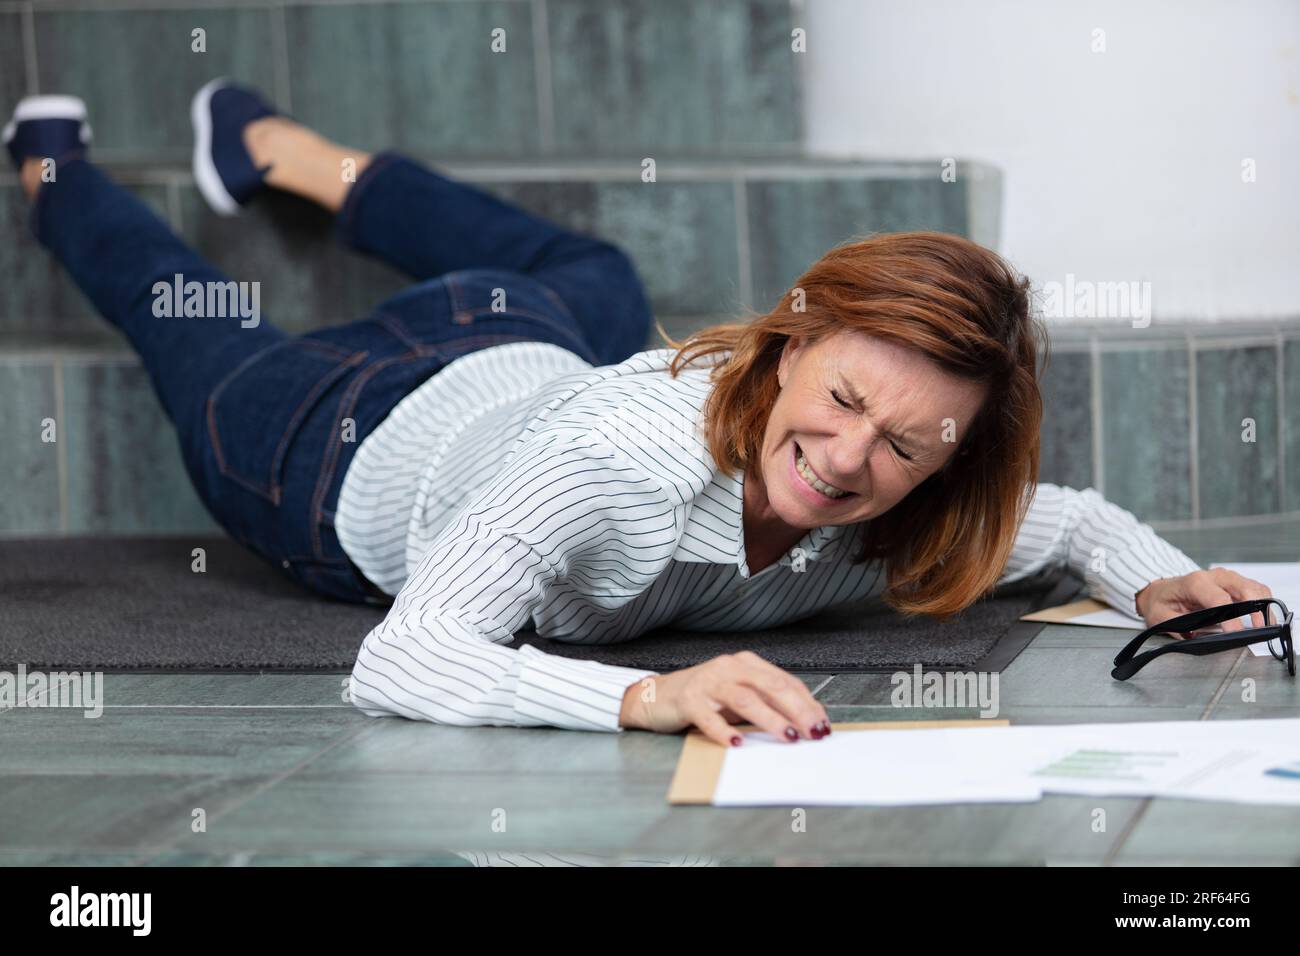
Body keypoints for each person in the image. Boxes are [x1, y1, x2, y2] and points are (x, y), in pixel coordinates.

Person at [5, 82, 1274, 749]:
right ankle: (47, 158)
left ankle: (266, 142)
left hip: (508, 338)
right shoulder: (615, 456)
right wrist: (639, 699)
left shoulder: (903, 494)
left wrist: (1154, 575)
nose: (845, 461)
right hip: (322, 442)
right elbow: (402, 658)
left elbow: (1065, 519)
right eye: (838, 400)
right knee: (189, 320)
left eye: (904, 444)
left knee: (595, 272)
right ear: (782, 345)